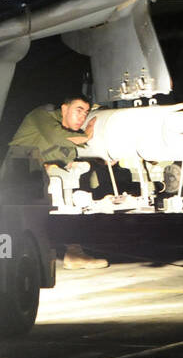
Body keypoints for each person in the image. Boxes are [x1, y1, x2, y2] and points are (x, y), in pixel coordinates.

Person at [7, 96, 109, 270]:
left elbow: (67, 158)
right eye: (78, 110)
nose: (82, 117)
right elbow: (57, 137)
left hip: (38, 179)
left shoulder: (70, 135)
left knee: (82, 185)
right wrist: (86, 135)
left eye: (86, 113)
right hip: (15, 175)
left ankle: (73, 252)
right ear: (64, 109)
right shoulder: (42, 116)